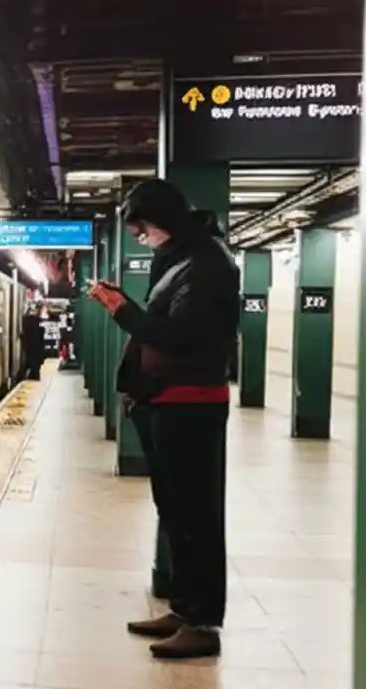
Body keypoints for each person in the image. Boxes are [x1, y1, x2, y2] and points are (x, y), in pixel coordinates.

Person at [86, 179, 239, 660]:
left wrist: (121, 310)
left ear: (162, 220)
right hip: (170, 402)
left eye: (141, 228)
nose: (139, 237)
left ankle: (203, 622)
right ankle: (184, 607)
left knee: (196, 516)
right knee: (176, 514)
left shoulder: (208, 265)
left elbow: (180, 336)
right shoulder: (184, 261)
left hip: (191, 405)